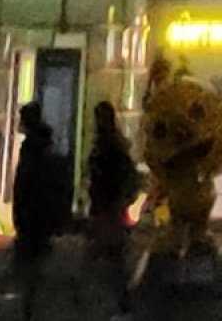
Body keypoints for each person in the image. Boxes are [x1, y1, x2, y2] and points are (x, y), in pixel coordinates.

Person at [9, 100, 73, 320]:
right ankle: (34, 305)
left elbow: (25, 184)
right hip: (39, 214)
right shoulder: (45, 148)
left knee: (31, 267)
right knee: (36, 266)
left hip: (32, 214)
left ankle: (32, 307)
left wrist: (20, 213)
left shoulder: (31, 151)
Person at [83, 103, 140, 312]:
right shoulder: (115, 145)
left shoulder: (107, 146)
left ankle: (114, 300)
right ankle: (122, 300)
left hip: (107, 206)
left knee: (103, 253)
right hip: (111, 207)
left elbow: (103, 177)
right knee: (112, 255)